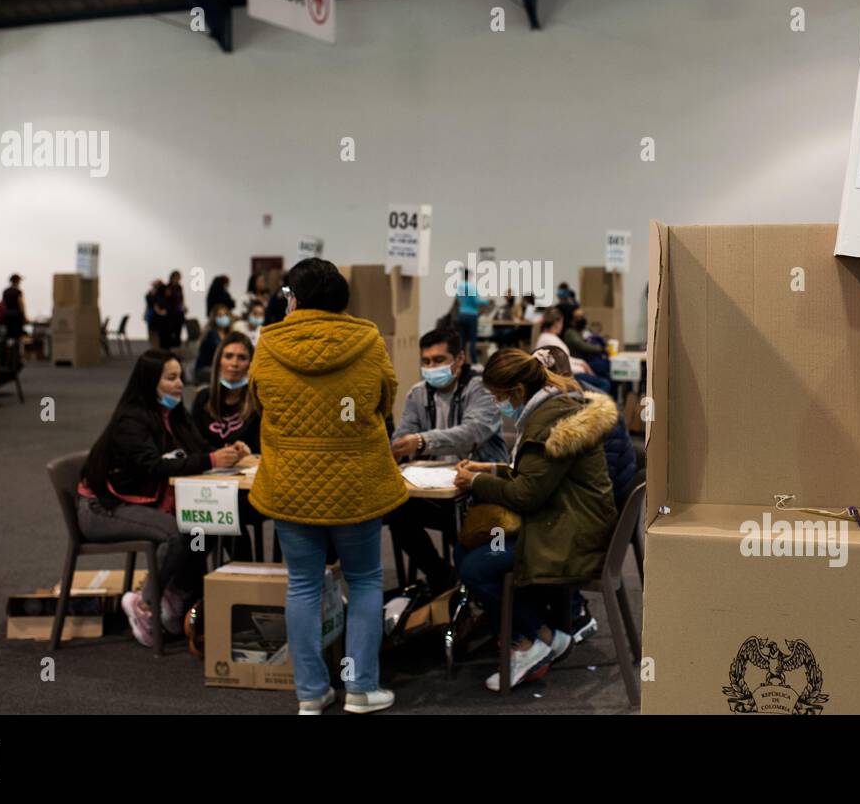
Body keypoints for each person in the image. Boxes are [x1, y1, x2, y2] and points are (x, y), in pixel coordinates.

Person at [248, 259, 406, 715]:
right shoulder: (368, 339)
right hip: (356, 483)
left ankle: (311, 694)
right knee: (364, 580)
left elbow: (257, 401)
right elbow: (385, 396)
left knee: (301, 585)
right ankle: (360, 687)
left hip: (290, 484)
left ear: (293, 299)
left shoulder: (268, 343)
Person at [453, 348, 617, 691]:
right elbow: (535, 474)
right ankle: (542, 633)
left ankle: (524, 643)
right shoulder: (555, 406)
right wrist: (490, 469)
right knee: (468, 551)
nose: (499, 404)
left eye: (499, 397)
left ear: (517, 391)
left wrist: (478, 482)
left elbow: (527, 495)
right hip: (568, 519)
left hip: (567, 532)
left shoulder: (546, 423)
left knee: (475, 567)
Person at [77, 350, 249, 646]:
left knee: (207, 524)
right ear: (149, 383)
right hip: (102, 508)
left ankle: (175, 594)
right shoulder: (130, 420)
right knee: (176, 534)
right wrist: (211, 459)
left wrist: (229, 451)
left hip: (141, 501)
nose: (180, 383)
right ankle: (143, 603)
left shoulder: (173, 413)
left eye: (180, 376)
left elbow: (197, 448)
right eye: (171, 378)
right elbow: (154, 465)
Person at [386, 328, 506, 594]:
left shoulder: (482, 389)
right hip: (434, 488)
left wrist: (423, 441)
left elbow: (472, 433)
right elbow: (403, 436)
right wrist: (401, 446)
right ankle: (441, 576)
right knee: (395, 511)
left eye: (439, 360)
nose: (431, 367)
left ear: (459, 359)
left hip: (479, 491)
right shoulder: (417, 394)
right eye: (426, 362)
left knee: (463, 529)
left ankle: (473, 588)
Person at [531, 344, 636, 643]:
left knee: (514, 540)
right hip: (594, 510)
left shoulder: (589, 410)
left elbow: (599, 484)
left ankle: (563, 616)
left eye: (545, 381)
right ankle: (546, 614)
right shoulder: (560, 402)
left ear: (565, 375)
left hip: (600, 522)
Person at [192, 332, 267, 560]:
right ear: (219, 361)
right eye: (229, 356)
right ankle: (210, 579)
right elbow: (192, 443)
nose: (234, 364)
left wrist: (247, 452)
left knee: (216, 513)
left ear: (250, 364)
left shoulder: (258, 401)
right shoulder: (203, 399)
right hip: (208, 482)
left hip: (246, 489)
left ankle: (235, 575)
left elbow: (264, 450)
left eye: (242, 358)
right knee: (200, 518)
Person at [454, 267, 487, 364]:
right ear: (469, 275)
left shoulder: (460, 287)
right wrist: (487, 302)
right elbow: (476, 301)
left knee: (462, 341)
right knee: (473, 341)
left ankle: (462, 362)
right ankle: (474, 363)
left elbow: (459, 300)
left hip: (462, 314)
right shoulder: (471, 286)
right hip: (471, 315)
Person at [195, 303, 233, 382]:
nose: (223, 317)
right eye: (220, 315)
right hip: (205, 369)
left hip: (219, 367)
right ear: (214, 318)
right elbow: (221, 354)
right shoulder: (211, 334)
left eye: (225, 315)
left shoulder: (228, 334)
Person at [161, 270, 186, 350]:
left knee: (178, 332)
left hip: (179, 313)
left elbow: (181, 299)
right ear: (172, 277)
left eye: (179, 278)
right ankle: (168, 348)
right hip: (170, 313)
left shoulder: (179, 287)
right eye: (176, 277)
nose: (178, 279)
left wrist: (183, 307)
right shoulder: (168, 287)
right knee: (169, 332)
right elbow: (165, 300)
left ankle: (176, 348)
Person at [1, 274, 26, 339]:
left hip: (8, 317)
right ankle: (18, 349)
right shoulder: (18, 292)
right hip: (17, 318)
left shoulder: (5, 291)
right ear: (16, 281)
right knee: (18, 337)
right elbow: (21, 305)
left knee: (9, 337)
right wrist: (24, 316)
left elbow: (3, 305)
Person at [144, 280, 166, 348]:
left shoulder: (152, 293)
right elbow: (154, 305)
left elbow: (150, 305)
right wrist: (161, 312)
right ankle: (155, 347)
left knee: (153, 333)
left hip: (152, 314)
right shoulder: (153, 294)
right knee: (153, 332)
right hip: (153, 315)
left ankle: (155, 347)